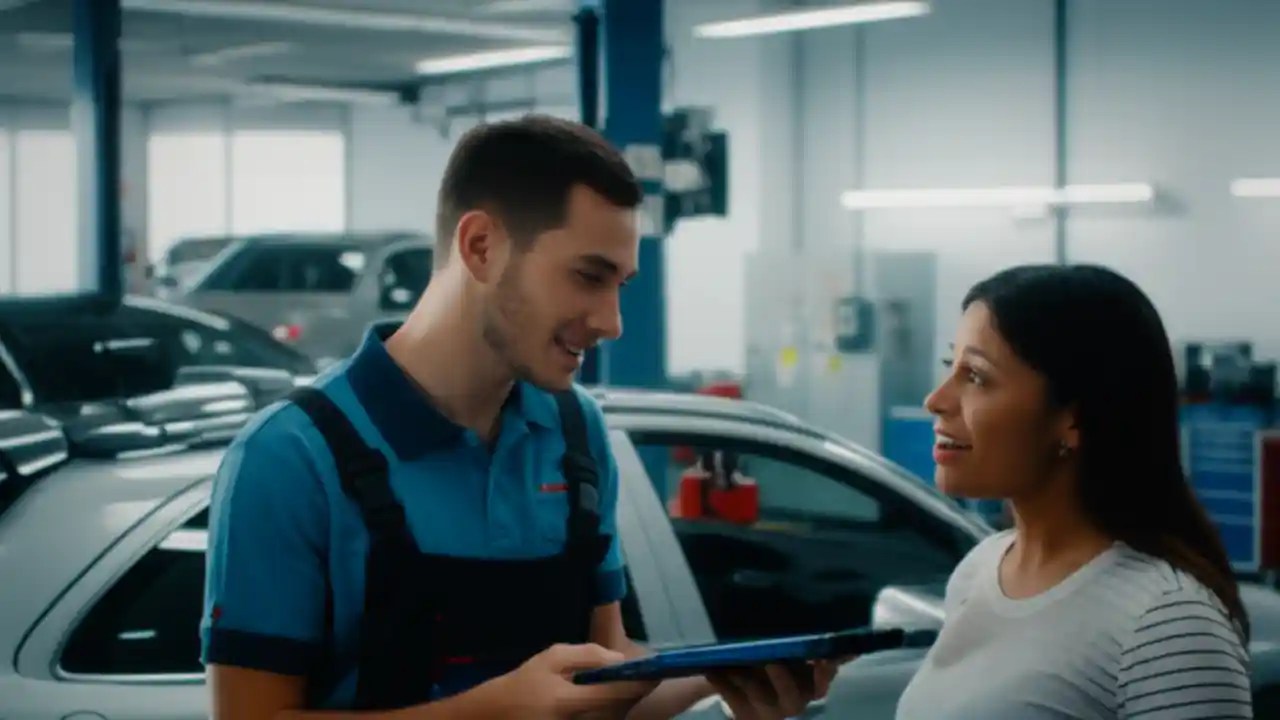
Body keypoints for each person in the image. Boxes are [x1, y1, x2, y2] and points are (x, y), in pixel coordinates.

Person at [201, 114, 837, 720]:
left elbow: (605, 676)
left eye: (622, 284)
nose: (612, 322)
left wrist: (725, 685)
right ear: (481, 247)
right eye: (589, 275)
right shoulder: (290, 458)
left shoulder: (574, 432)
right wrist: (493, 713)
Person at [896, 264, 1254, 719]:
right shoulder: (979, 570)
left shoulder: (1168, 622)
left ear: (1073, 417)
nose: (936, 400)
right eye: (952, 367)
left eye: (977, 377)